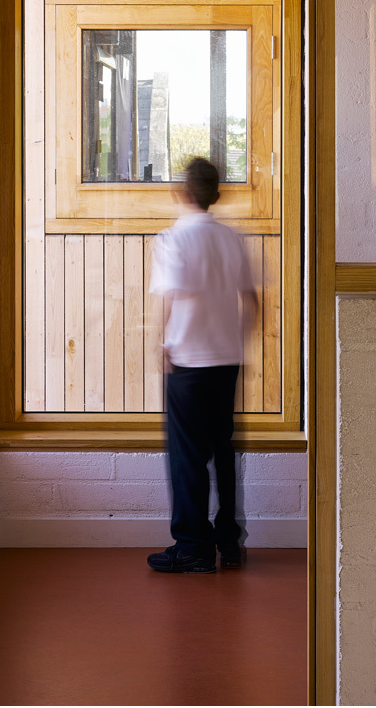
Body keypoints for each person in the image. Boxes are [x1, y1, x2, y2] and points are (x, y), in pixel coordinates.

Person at [147, 157, 258, 574]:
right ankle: (229, 542)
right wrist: (234, 340)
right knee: (223, 452)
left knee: (187, 456)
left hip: (188, 360)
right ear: (216, 194)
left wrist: (165, 344)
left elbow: (171, 298)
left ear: (184, 193)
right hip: (226, 360)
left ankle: (193, 546)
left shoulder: (173, 239)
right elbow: (252, 303)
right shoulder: (232, 239)